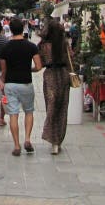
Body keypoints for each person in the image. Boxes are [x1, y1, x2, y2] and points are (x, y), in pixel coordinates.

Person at [0, 17, 42, 156]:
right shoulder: (31, 46)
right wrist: (30, 70)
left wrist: (2, 83)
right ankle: (28, 139)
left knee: (13, 114)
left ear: (10, 29)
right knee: (29, 111)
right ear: (23, 28)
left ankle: (16, 145)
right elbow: (39, 66)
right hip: (26, 83)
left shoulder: (5, 47)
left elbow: (3, 70)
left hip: (10, 84)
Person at [40, 19, 72, 155]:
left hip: (50, 76)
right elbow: (71, 58)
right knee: (62, 108)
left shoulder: (43, 45)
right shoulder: (64, 44)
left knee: (51, 106)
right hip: (63, 75)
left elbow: (41, 62)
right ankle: (58, 140)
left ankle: (51, 137)